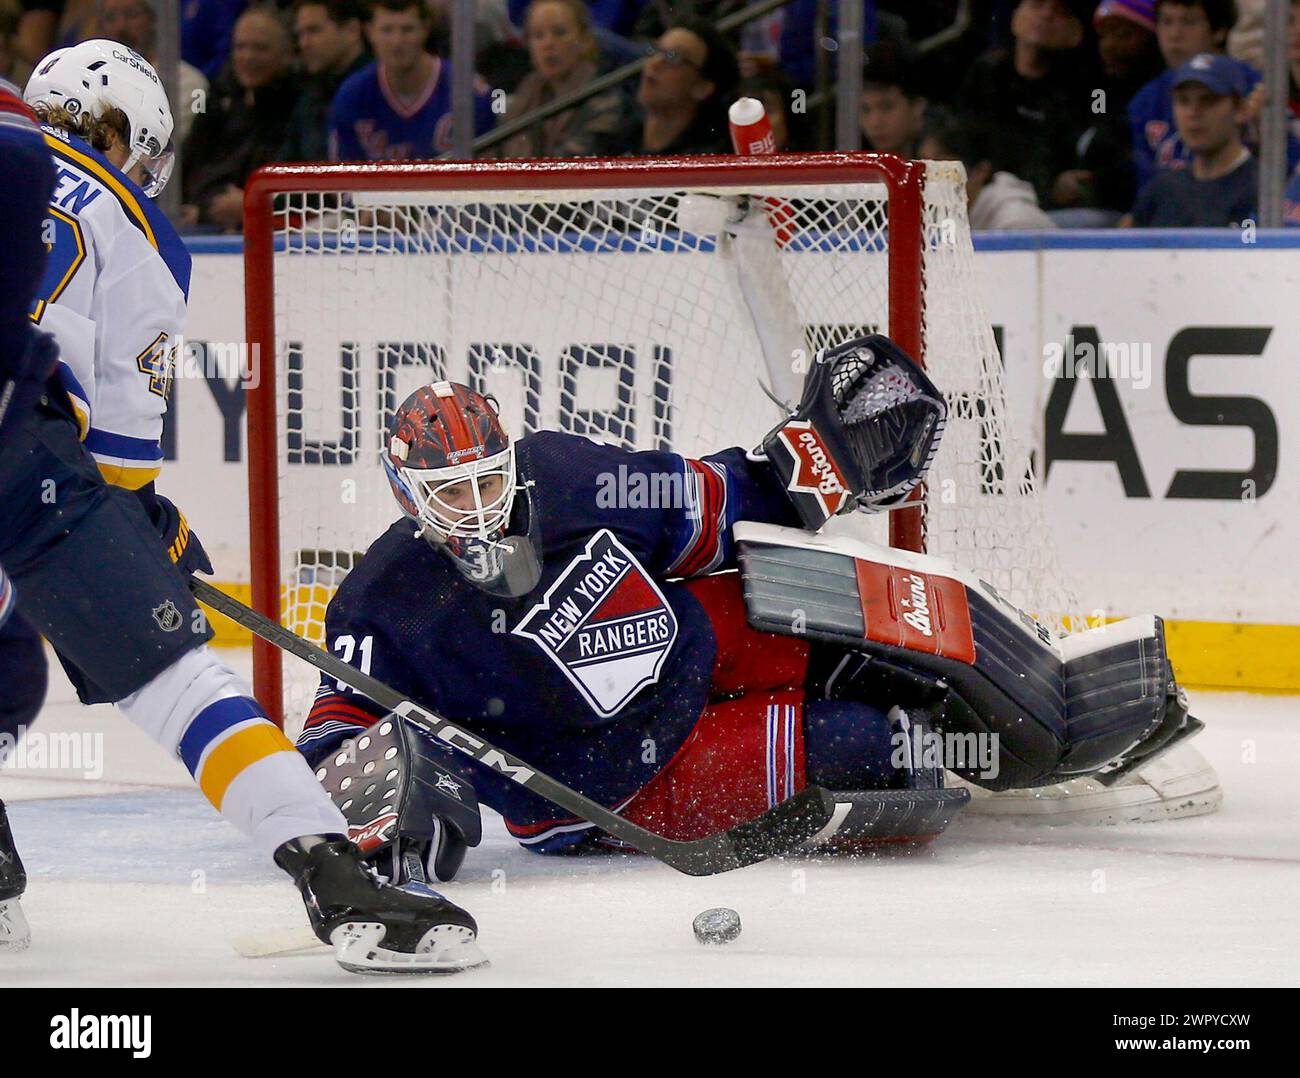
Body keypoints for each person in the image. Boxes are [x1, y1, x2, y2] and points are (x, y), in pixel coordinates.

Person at [295, 360, 1197, 874]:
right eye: (448, 492)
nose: (477, 505)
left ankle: (1046, 723)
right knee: (885, 752)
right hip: (614, 782)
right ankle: (953, 762)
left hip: (693, 638)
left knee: (897, 627)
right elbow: (335, 736)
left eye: (488, 479)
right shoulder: (380, 602)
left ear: (511, 458)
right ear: (405, 492)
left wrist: (819, 459)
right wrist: (390, 805)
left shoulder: (566, 474)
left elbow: (713, 500)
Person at [0, 44, 482, 972]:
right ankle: (335, 878)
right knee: (174, 677)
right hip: (21, 449)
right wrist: (146, 532)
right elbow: (119, 462)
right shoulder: (127, 223)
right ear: (123, 138)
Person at [959, 0, 1098, 209]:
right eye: (1037, 5)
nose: (1046, 15)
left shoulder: (1094, 89)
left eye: (1059, 11)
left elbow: (1096, 141)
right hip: (987, 197)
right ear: (1015, 17)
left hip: (1057, 210)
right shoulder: (985, 73)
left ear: (1076, 31)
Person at [180, 3, 298, 231]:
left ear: (286, 54)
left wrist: (251, 203)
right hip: (201, 220)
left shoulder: (298, 103)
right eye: (240, 47)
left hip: (270, 229)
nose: (248, 57)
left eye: (260, 48)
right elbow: (189, 160)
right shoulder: (218, 94)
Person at [329, 0, 494, 160]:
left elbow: (489, 173)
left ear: (425, 29)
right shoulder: (351, 96)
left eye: (407, 30)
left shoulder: (469, 90)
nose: (397, 41)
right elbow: (342, 179)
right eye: (387, 30)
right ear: (370, 32)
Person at [1124, 51, 1258, 226]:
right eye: (1183, 101)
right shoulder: (1162, 189)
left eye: (1208, 100)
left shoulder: (1264, 189)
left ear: (1241, 109)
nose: (1193, 113)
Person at [496, 0, 626, 159]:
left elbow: (573, 166)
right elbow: (495, 154)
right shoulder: (527, 90)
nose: (548, 44)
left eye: (559, 33)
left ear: (585, 40)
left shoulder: (606, 100)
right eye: (538, 35)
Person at [602, 17, 737, 155]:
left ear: (702, 88)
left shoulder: (707, 159)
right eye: (655, 50)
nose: (654, 63)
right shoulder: (618, 137)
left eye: (673, 57)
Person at [919, 110, 1057, 230]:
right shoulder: (940, 218)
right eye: (924, 164)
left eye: (941, 165)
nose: (928, 177)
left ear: (980, 170)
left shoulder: (1016, 222)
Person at [95, 0, 208, 142]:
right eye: (110, 17)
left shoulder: (189, 83)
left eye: (131, 15)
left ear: (153, 19)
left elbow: (165, 146)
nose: (120, 27)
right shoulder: (91, 80)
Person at [276, 0, 370, 162]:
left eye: (313, 31)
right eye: (300, 35)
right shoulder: (310, 95)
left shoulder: (382, 87)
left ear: (351, 30)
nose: (303, 43)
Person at [859, 40, 926, 158]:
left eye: (886, 107)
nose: (875, 123)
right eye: (865, 109)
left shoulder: (942, 163)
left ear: (917, 108)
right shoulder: (857, 170)